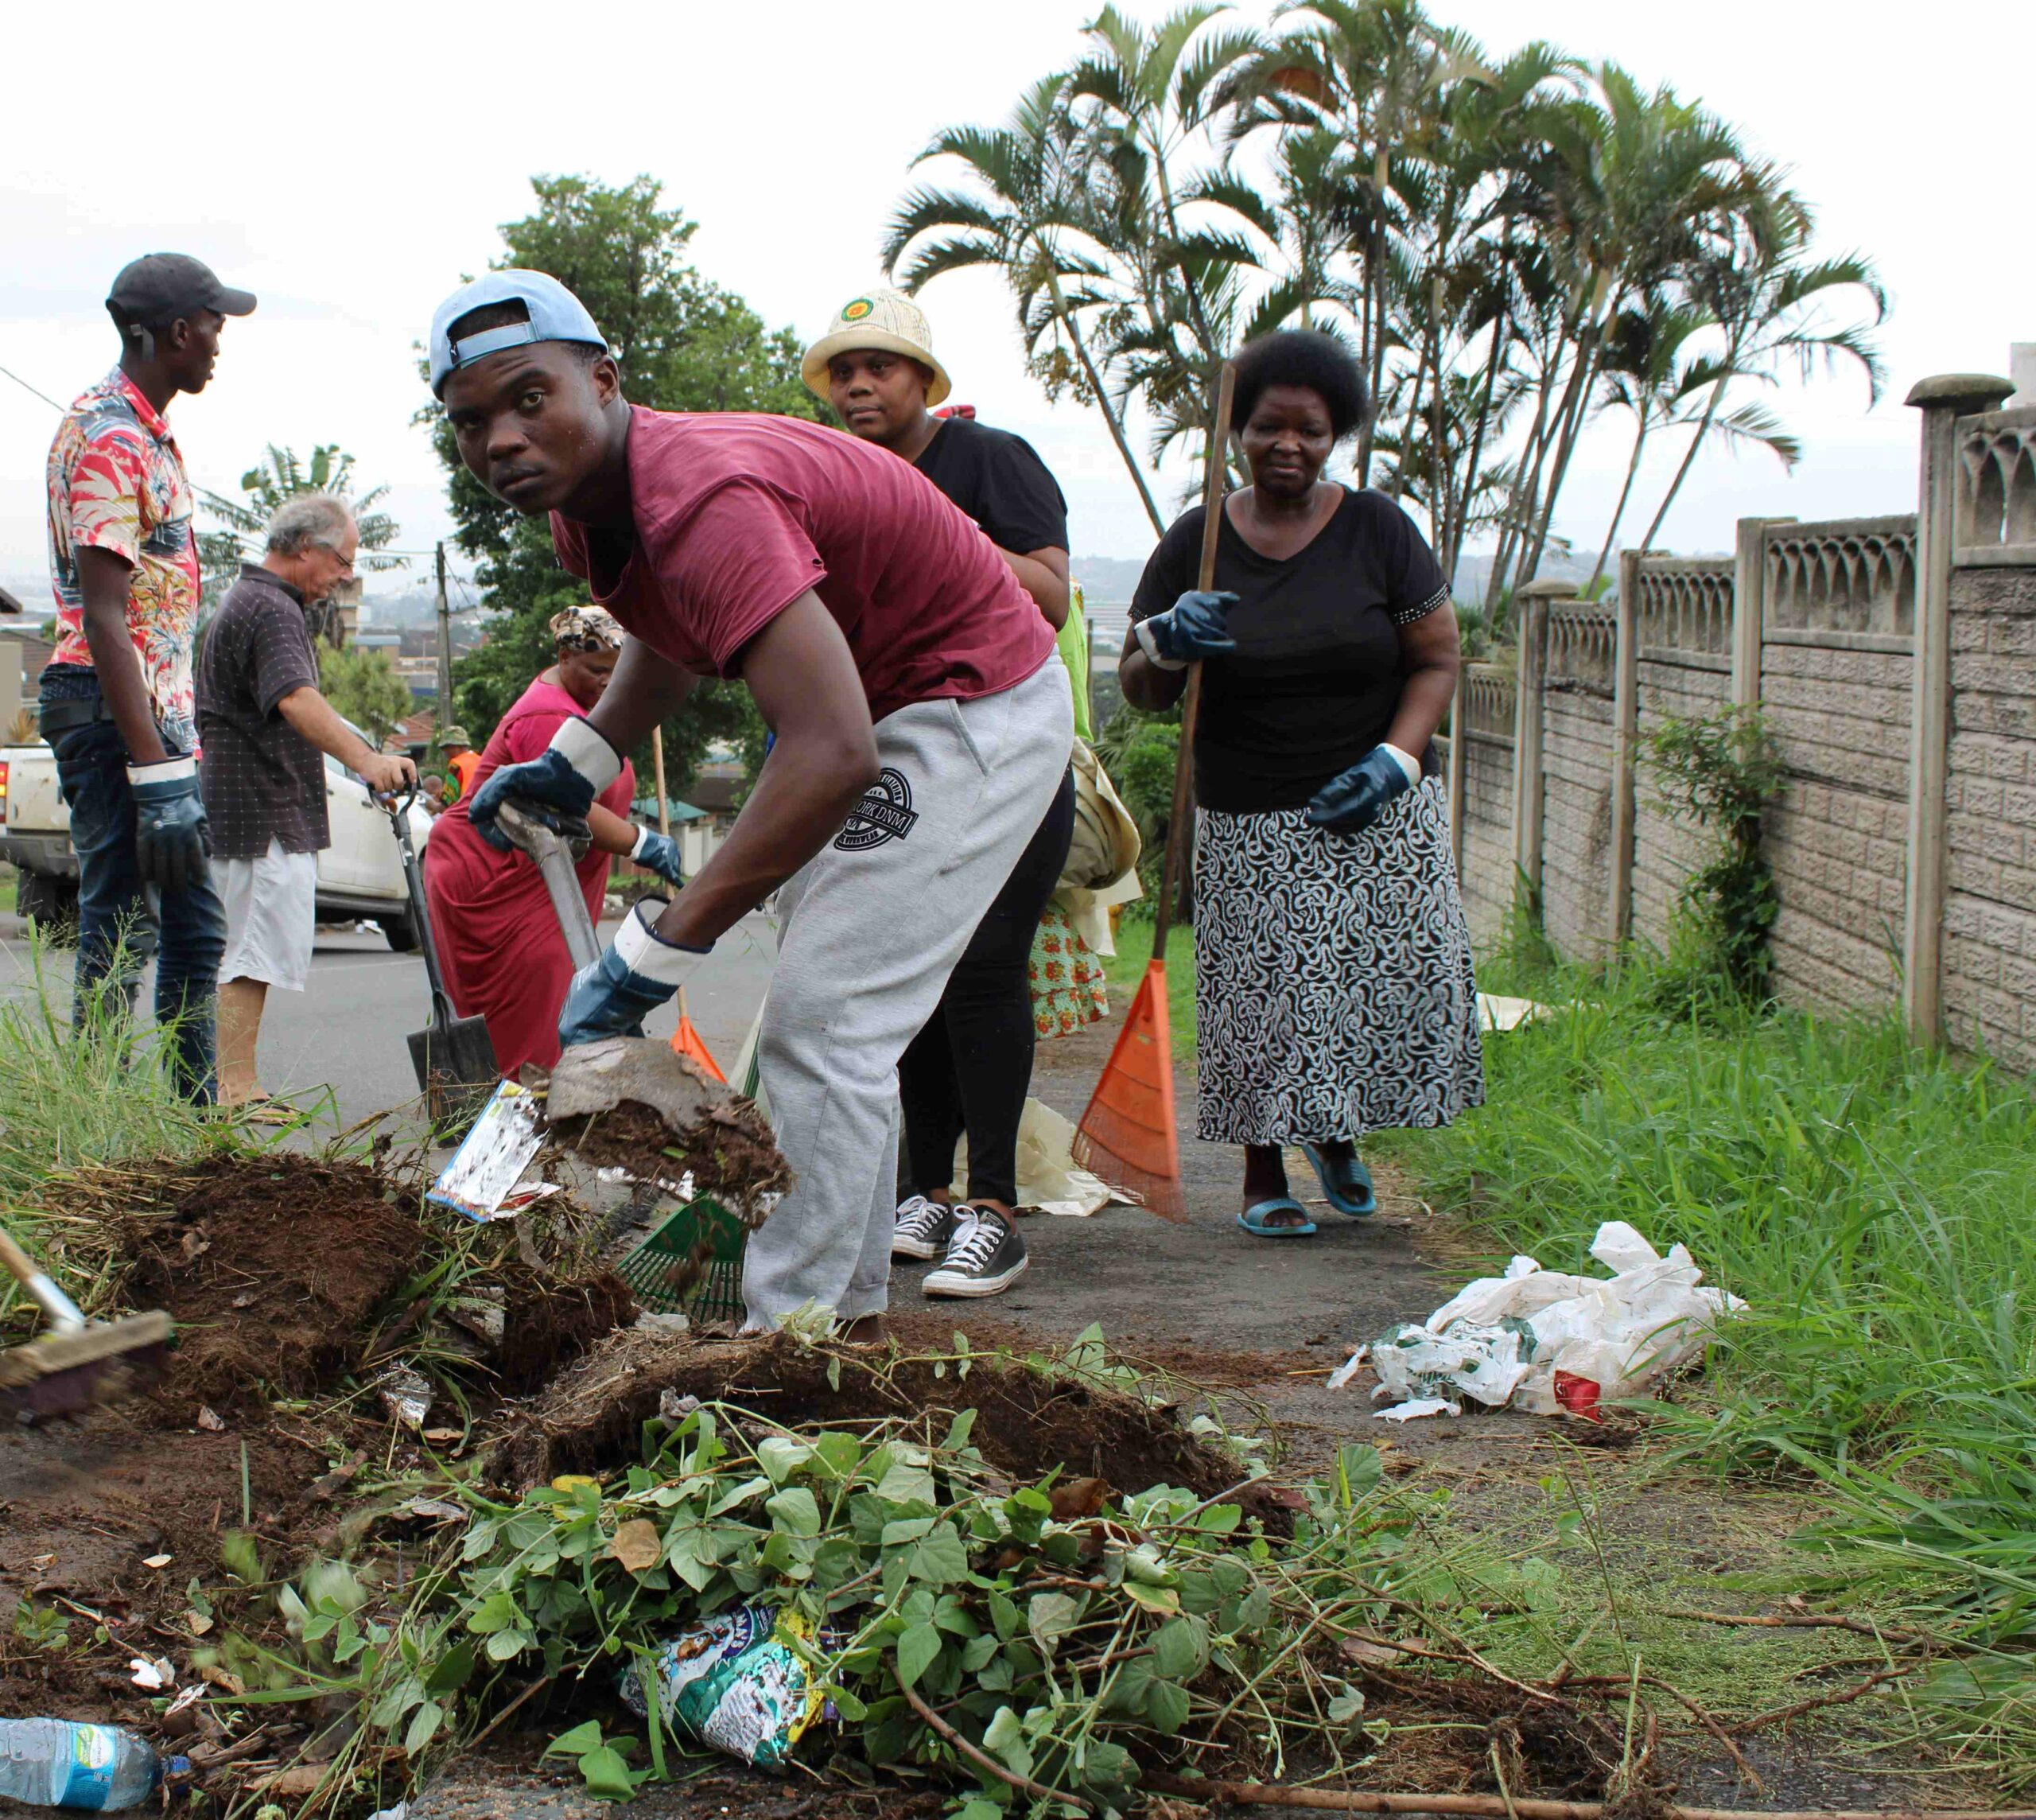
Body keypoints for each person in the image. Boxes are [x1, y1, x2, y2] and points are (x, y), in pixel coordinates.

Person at [429, 270, 1070, 1338]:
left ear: (603, 379)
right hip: (886, 703)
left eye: (529, 398)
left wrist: (655, 952)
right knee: (834, 1023)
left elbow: (831, 752)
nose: (502, 438)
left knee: (830, 1020)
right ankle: (834, 1322)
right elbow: (672, 637)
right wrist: (584, 758)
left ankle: (788, 1340)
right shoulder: (590, 507)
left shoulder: (701, 496)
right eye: (470, 422)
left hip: (971, 703)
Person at [1121, 329, 1483, 1238]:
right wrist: (1166, 636)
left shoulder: (1378, 528)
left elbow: (1436, 658)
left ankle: (1335, 1130)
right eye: (1269, 427)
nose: (1289, 445)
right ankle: (1260, 1168)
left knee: (1362, 985)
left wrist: (1394, 761)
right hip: (1245, 807)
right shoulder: (1196, 541)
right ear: (1237, 430)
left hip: (1375, 806)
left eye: (1311, 431)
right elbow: (1140, 687)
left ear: (1337, 435)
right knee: (1258, 995)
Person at [803, 288, 1077, 1298]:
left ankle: (993, 1206)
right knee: (909, 969)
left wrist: (934, 525)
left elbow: (1048, 595)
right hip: (894, 756)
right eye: (843, 370)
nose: (859, 383)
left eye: (880, 365)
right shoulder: (835, 481)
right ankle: (923, 1187)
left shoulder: (988, 462)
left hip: (1005, 743)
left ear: (924, 380)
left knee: (989, 963)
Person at [40, 254, 257, 1102]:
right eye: (213, 324)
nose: (218, 342)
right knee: (126, 928)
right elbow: (103, 615)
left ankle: (185, 1129)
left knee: (191, 933)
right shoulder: (110, 435)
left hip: (146, 717)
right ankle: (97, 1121)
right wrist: (159, 775)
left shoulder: (147, 431)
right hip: (110, 713)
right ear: (174, 332)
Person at [196, 496, 418, 1108]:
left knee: (247, 949)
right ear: (304, 549)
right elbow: (295, 698)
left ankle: (232, 1081)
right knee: (246, 952)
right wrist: (367, 762)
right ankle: (234, 1086)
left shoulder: (257, 601)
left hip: (249, 805)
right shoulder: (271, 607)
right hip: (256, 808)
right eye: (342, 561)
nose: (345, 575)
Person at [422, 606, 686, 1078]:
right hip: (495, 871)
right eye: (596, 671)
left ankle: (534, 1102)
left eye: (616, 672)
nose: (608, 682)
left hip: (546, 869)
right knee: (536, 998)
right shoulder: (548, 716)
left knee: (559, 989)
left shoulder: (589, 709)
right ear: (565, 657)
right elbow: (564, 799)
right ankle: (518, 1111)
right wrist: (641, 841)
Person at [440, 727, 479, 801]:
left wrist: (431, 804)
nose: (445, 752)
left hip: (466, 811)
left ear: (453, 746)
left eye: (445, 748)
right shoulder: (481, 760)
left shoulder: (456, 765)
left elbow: (445, 805)